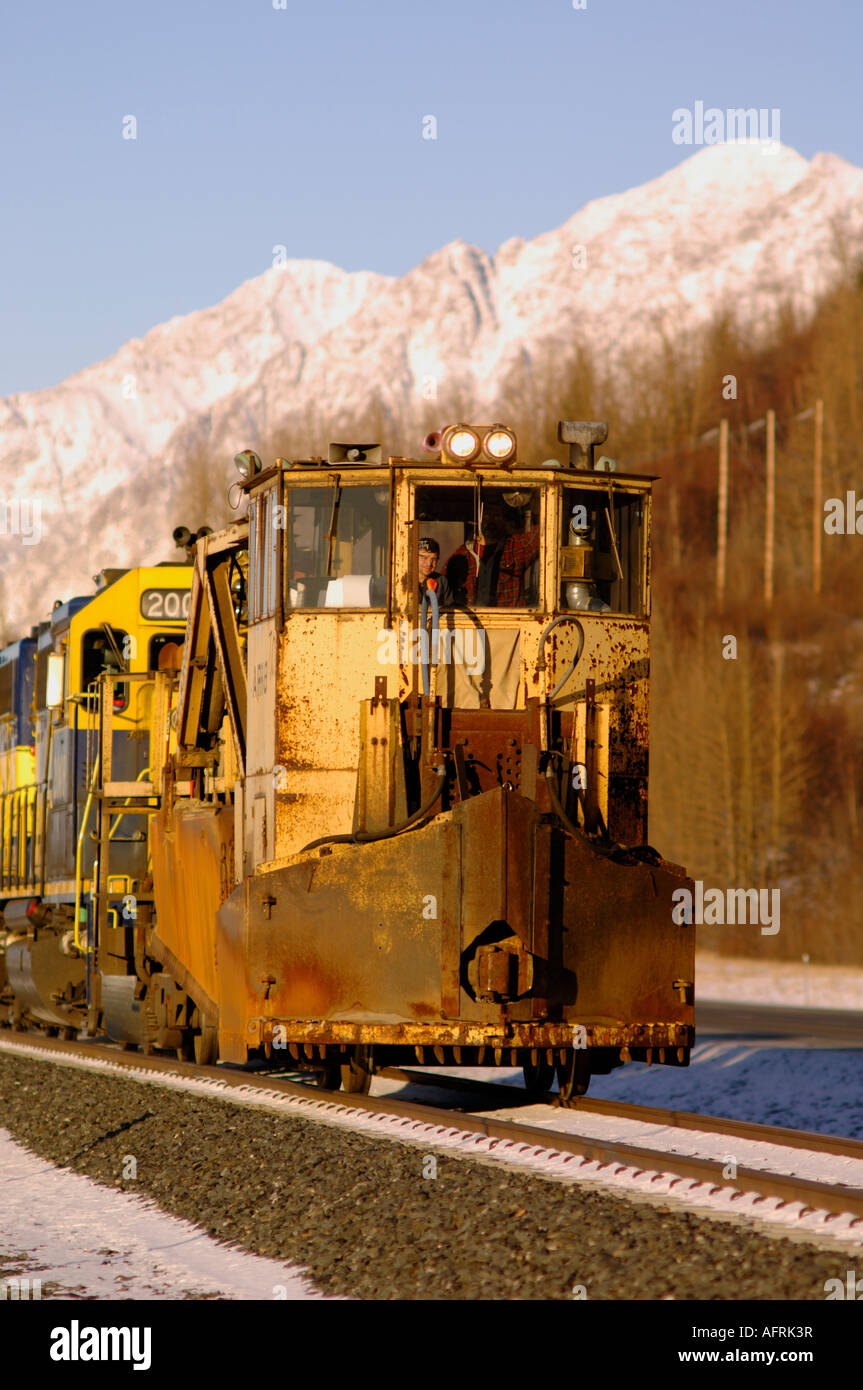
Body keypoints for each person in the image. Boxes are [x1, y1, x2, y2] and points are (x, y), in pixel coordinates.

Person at [444, 499, 539, 607]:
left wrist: (535, 506)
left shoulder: (516, 547)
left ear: (504, 521)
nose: (491, 521)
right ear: (478, 521)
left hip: (508, 620)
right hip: (471, 620)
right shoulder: (465, 552)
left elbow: (544, 533)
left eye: (496, 517)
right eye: (486, 517)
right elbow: (442, 583)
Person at [417, 537, 453, 607]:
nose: (429, 563)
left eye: (434, 559)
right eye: (424, 557)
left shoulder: (442, 581)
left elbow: (450, 609)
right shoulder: (403, 581)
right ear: (414, 557)